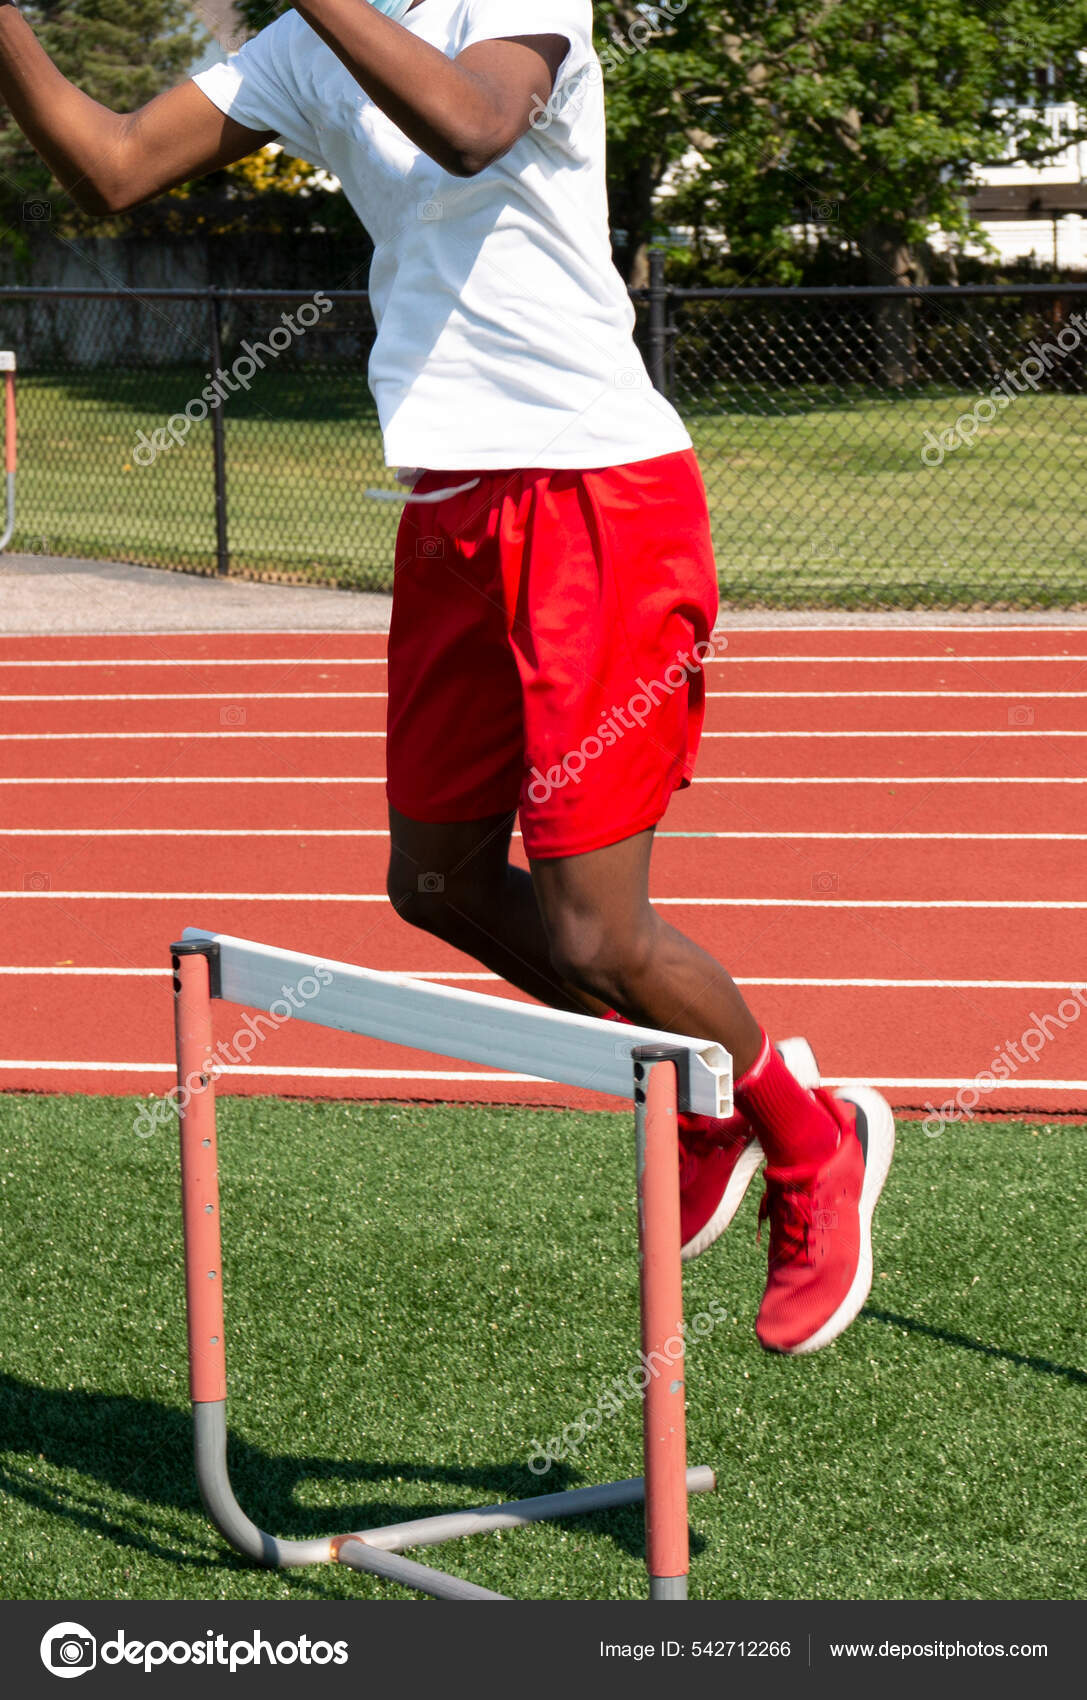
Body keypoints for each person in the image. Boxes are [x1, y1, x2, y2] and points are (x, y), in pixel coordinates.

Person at [0, 0, 893, 1354]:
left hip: (599, 497)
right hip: (453, 506)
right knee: (434, 882)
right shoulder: (308, 43)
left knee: (602, 932)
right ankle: (701, 1088)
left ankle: (808, 1136)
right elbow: (114, 164)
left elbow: (475, 125)